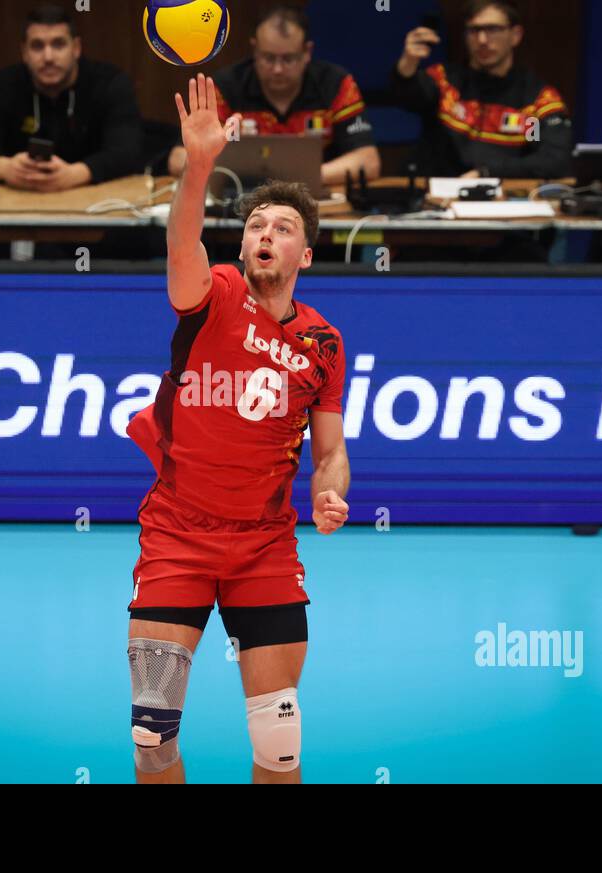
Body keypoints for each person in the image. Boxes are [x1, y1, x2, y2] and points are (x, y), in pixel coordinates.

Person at [125, 74, 350, 784]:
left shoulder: (324, 345)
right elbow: (181, 244)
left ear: (303, 256)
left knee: (279, 746)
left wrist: (330, 492)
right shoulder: (215, 293)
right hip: (177, 538)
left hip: (264, 549)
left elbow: (332, 448)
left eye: (283, 229)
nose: (266, 235)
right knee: (152, 736)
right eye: (256, 225)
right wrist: (197, 167)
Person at [166, 5, 379, 188]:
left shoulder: (336, 84)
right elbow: (179, 159)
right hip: (242, 200)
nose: (277, 69)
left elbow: (367, 162)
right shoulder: (225, 87)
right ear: (254, 50)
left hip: (313, 200)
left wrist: (300, 180)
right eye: (268, 58)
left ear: (307, 52)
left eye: (288, 59)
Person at [0, 3, 142, 192]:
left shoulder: (110, 84)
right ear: (24, 53)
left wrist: (77, 173)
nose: (48, 57)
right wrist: (5, 168)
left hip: (93, 205)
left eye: (58, 44)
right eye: (37, 46)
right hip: (18, 202)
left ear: (76, 48)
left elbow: (127, 152)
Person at [388, 0, 571, 179]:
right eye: (474, 30)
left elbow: (550, 160)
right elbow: (406, 97)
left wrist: (487, 173)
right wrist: (408, 63)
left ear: (515, 35)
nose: (482, 40)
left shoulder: (533, 103)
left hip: (501, 200)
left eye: (493, 29)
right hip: (438, 197)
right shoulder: (445, 83)